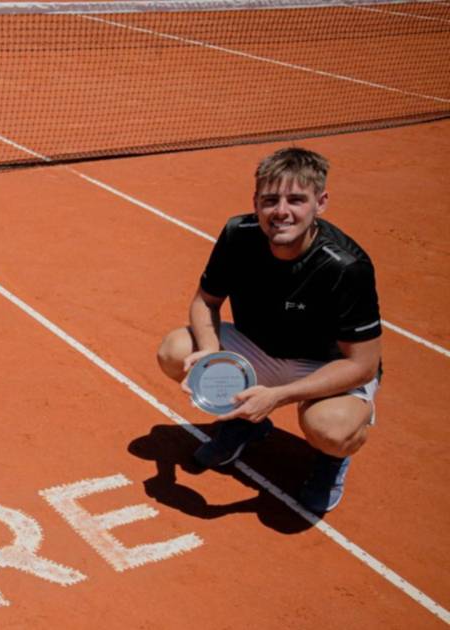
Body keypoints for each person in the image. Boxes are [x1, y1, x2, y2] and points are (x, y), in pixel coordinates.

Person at [156, 147, 382, 515]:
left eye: (296, 200)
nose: (281, 211)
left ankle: (330, 460)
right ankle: (246, 426)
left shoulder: (345, 266)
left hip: (323, 364)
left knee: (330, 429)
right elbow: (205, 301)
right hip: (256, 348)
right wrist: (214, 354)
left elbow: (363, 366)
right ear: (256, 202)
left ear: (320, 203)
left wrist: (277, 396)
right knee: (175, 350)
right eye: (270, 200)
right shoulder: (238, 234)